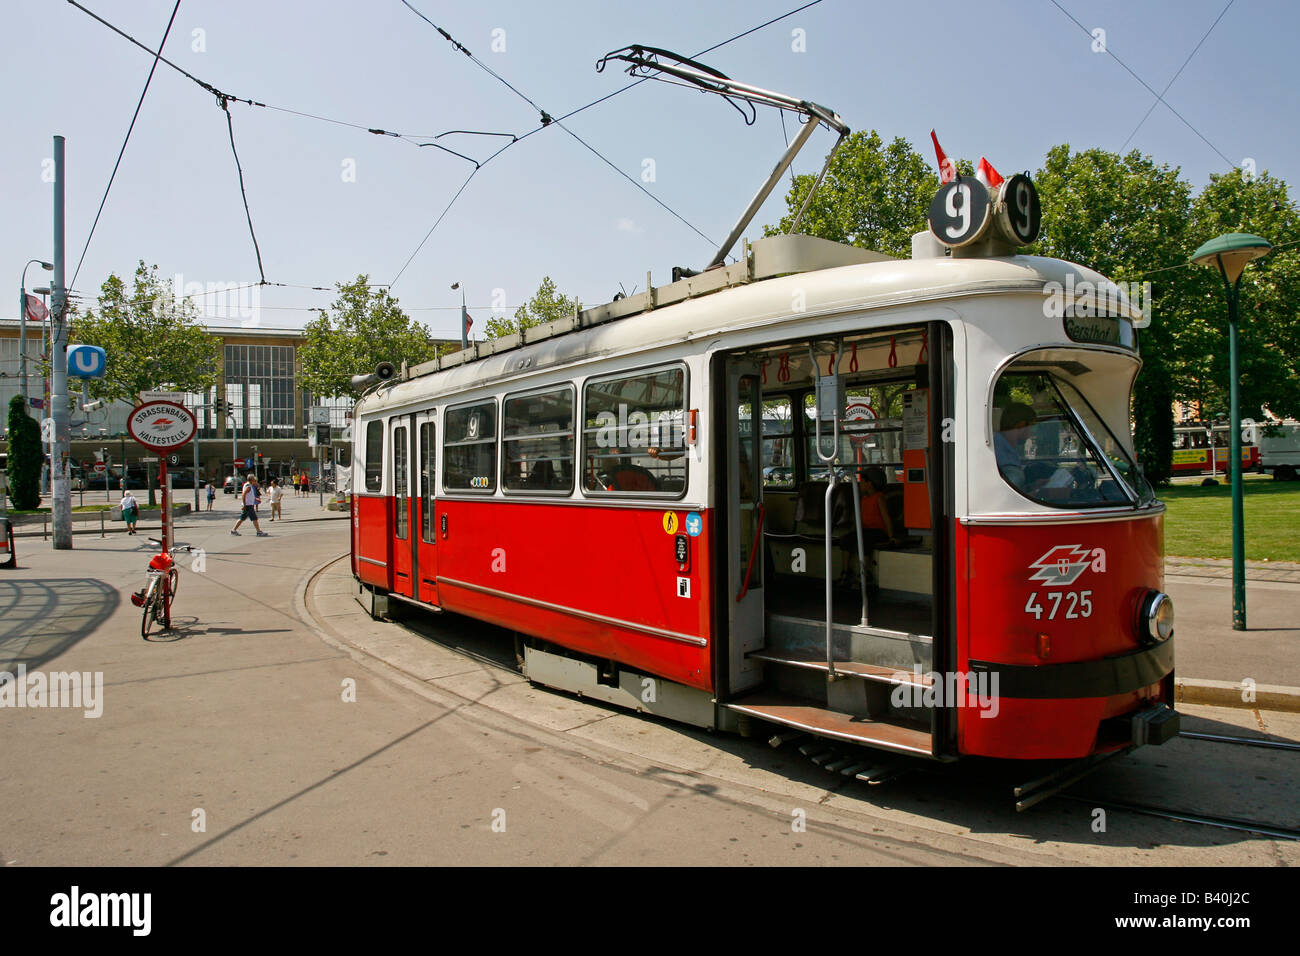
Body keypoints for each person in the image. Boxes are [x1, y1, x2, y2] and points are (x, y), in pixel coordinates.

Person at [858, 465, 898, 545]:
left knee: (863, 540)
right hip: (867, 530)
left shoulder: (879, 498)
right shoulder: (864, 499)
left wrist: (891, 537)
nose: (860, 484)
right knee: (847, 539)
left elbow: (886, 517)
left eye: (862, 481)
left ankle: (864, 557)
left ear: (869, 484)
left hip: (879, 531)